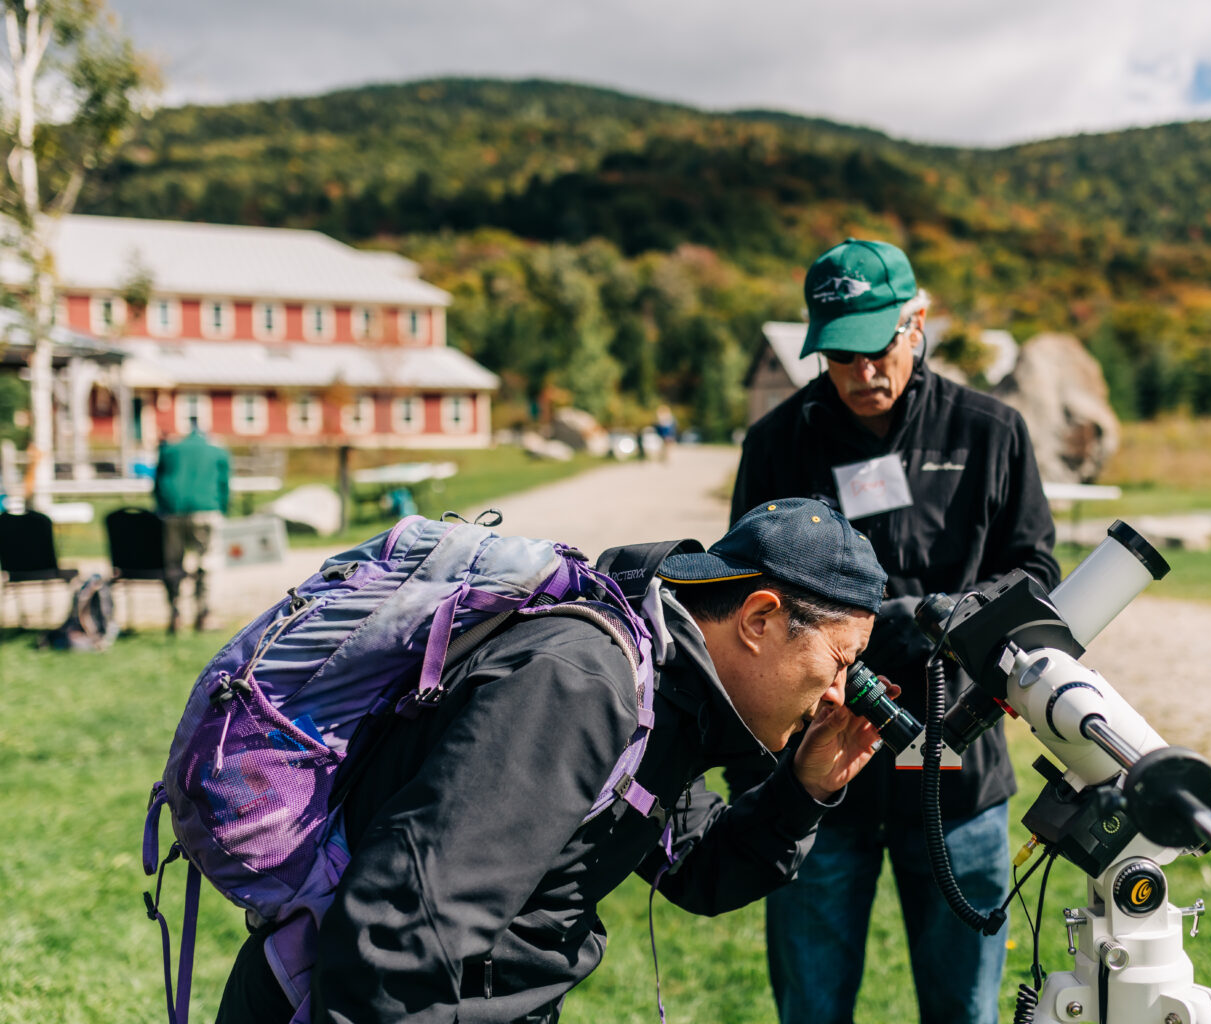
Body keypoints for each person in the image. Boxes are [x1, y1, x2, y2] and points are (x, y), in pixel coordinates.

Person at [215, 497, 890, 1024]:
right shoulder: (581, 684)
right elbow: (403, 926)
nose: (838, 692)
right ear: (760, 619)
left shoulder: (671, 699)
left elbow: (697, 867)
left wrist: (804, 788)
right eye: (841, 660)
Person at [728, 238, 1060, 1024]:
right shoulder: (777, 443)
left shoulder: (990, 432)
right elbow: (745, 599)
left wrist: (957, 617)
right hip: (816, 775)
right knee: (811, 1009)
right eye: (840, 354)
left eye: (877, 348)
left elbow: (1037, 573)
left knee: (965, 1012)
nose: (861, 373)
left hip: (959, 773)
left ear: (917, 324)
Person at [152, 420, 230, 632]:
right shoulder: (217, 451)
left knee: (173, 563)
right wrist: (222, 509)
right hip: (207, 509)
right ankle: (204, 613)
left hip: (172, 511)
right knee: (207, 561)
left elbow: (157, 483)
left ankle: (175, 613)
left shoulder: (169, 450)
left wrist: (162, 507)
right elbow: (224, 485)